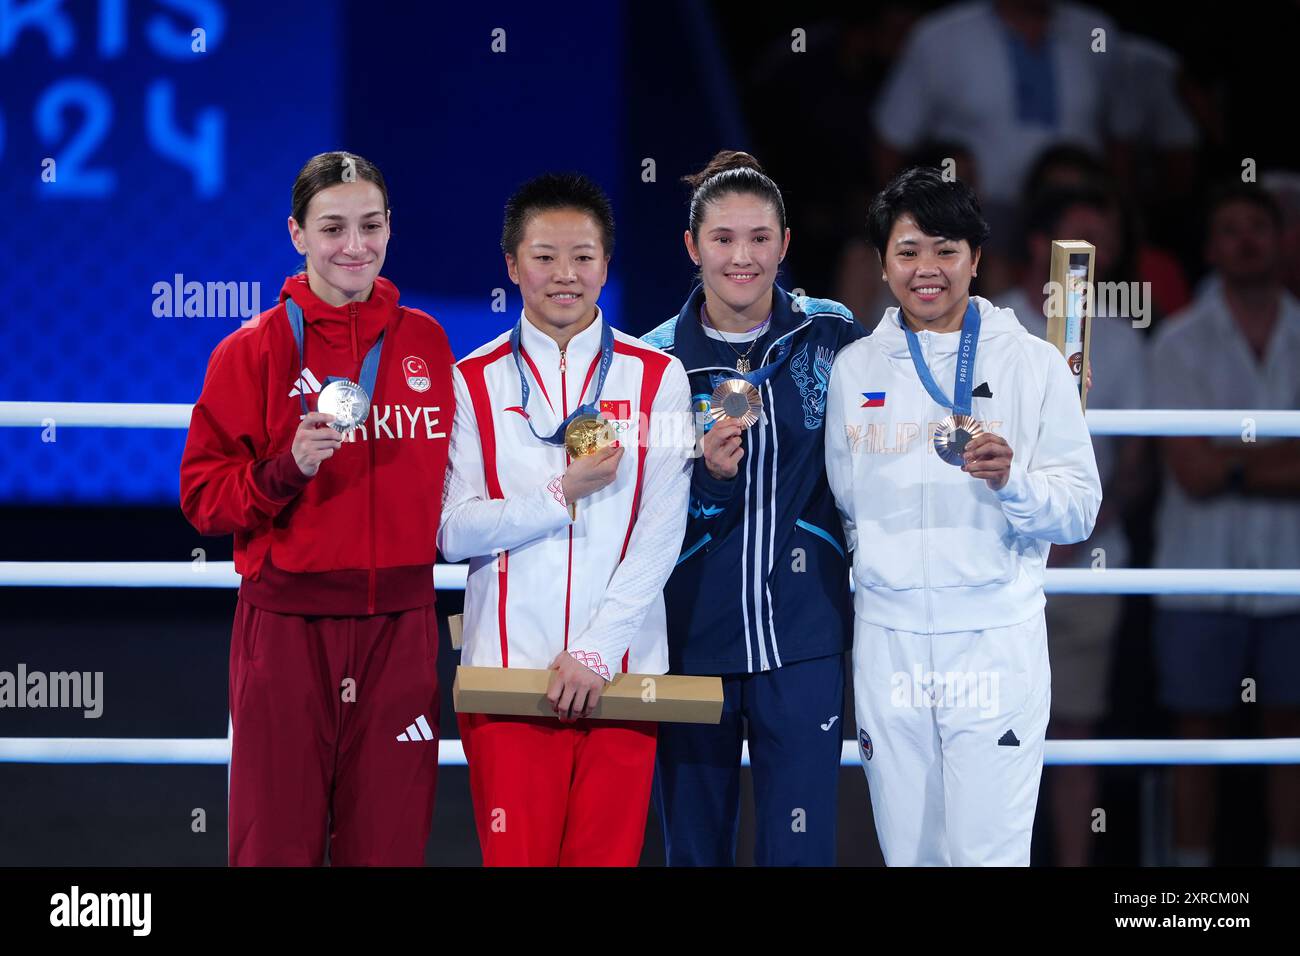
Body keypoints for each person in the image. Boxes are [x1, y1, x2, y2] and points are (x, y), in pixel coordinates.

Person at [180, 151, 455, 866]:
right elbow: (203, 499)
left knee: (389, 846)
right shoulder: (251, 351)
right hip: (286, 631)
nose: (354, 246)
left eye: (370, 225)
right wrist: (283, 471)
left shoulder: (426, 341)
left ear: (391, 228)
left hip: (401, 629)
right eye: (333, 228)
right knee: (275, 846)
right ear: (297, 235)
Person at [825, 166, 1101, 865]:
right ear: (882, 264)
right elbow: (846, 502)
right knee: (911, 857)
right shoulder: (856, 369)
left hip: (993, 643)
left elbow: (1077, 510)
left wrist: (1014, 483)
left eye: (946, 250)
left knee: (989, 857)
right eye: (908, 251)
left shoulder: (1036, 364)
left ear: (976, 260)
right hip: (888, 644)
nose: (928, 269)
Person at [438, 172, 691, 866]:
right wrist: (559, 494)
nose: (564, 274)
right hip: (506, 676)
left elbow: (662, 529)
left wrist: (595, 652)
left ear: (607, 264)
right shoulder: (472, 380)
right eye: (544, 256)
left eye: (583, 256)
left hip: (623, 674)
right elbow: (453, 531)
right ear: (512, 265)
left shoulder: (657, 376)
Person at [643, 150, 865, 866]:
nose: (743, 257)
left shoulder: (831, 337)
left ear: (786, 244)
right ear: (691, 246)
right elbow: (639, 516)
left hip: (802, 640)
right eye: (723, 239)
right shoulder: (652, 364)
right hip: (689, 642)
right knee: (694, 854)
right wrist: (707, 482)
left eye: (760, 238)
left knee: (799, 851)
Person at [994, 184, 1148, 865]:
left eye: (1105, 239)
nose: (1097, 253)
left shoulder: (1124, 339)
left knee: (1078, 738)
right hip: (997, 561)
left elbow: (1140, 460)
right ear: (1041, 245)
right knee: (992, 737)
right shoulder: (991, 330)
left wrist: (1078, 525)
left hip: (1089, 559)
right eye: (1082, 237)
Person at [1149, 183, 1300, 868]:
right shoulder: (1177, 341)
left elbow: (1214, 464)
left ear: (1281, 241)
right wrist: (1277, 458)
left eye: (1258, 227)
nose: (1245, 240)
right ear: (1211, 248)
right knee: (1196, 735)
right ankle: (1187, 879)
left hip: (1289, 573)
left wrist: (1231, 460)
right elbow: (1192, 472)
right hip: (1197, 573)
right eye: (1230, 228)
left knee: (1289, 732)